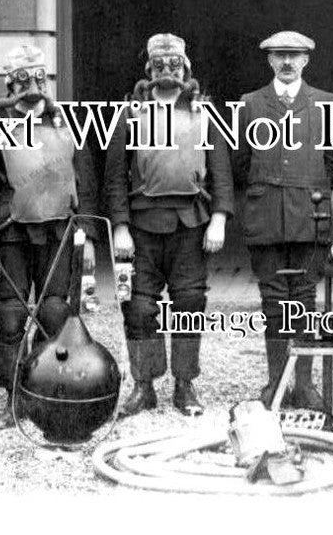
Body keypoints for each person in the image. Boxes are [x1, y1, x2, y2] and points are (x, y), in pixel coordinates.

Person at [104, 33, 233, 416]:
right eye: (160, 64)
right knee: (139, 306)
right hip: (142, 225)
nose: (167, 71)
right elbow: (114, 178)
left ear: (186, 67)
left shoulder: (204, 113)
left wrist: (220, 220)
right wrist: (120, 227)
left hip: (191, 223)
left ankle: (184, 384)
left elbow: (222, 173)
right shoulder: (129, 114)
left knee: (190, 302)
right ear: (149, 68)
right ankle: (144, 385)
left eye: (175, 64)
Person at [0, 45, 98, 428]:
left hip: (58, 234)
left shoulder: (70, 126)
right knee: (11, 316)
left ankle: (45, 391)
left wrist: (88, 236)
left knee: (53, 313)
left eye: (40, 78)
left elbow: (86, 186)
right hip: (10, 238)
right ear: (11, 85)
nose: (34, 87)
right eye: (24, 80)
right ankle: (11, 398)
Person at [235, 31, 333, 412]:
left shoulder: (328, 105)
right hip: (266, 214)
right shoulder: (250, 105)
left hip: (312, 214)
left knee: (303, 298)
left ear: (307, 60)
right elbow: (240, 164)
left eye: (295, 56)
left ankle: (303, 385)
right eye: (279, 56)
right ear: (269, 60)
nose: (287, 62)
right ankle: (277, 381)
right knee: (273, 300)